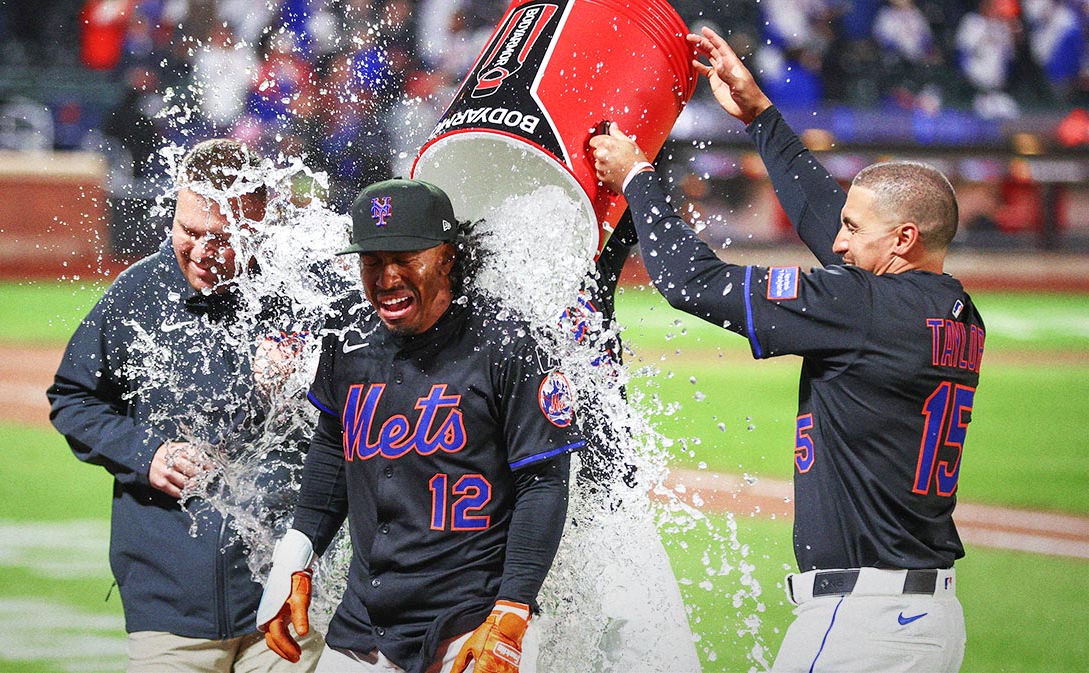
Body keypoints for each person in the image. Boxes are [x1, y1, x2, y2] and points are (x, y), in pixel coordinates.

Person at [589, 27, 983, 673]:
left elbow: (694, 284)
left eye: (855, 229)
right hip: (926, 618)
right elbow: (828, 218)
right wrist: (760, 116)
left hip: (862, 623)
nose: (839, 243)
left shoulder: (861, 306)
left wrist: (638, 178)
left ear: (904, 239)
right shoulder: (953, 309)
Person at [256, 178, 582, 673]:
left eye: (405, 258)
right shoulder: (346, 332)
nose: (386, 279)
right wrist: (295, 555)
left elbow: (543, 482)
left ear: (447, 257)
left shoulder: (510, 343)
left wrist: (514, 606)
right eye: (372, 261)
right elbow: (332, 445)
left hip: (471, 627)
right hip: (364, 626)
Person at [47, 138, 322, 673]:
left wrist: (304, 383)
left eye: (220, 238)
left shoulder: (302, 295)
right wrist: (145, 453)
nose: (199, 252)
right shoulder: (137, 294)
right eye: (187, 230)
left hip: (288, 601)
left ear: (257, 223)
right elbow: (72, 399)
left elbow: (363, 412)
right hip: (169, 608)